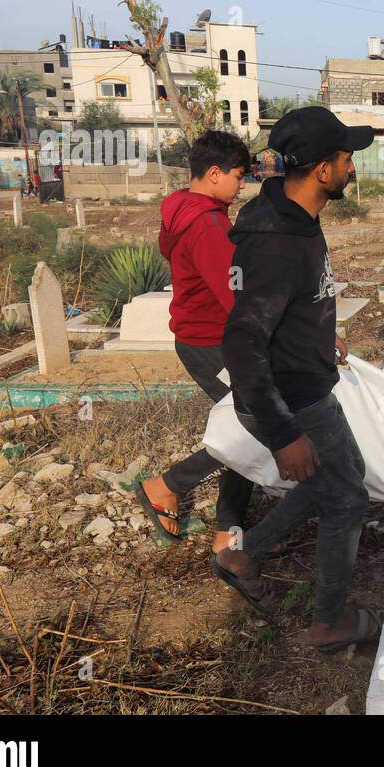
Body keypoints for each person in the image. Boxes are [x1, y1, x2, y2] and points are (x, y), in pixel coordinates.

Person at [210, 106, 382, 651]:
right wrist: (284, 435)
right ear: (324, 170)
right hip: (293, 399)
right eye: (346, 157)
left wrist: (316, 332)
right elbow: (242, 341)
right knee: (347, 499)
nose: (353, 167)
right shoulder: (280, 239)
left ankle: (242, 553)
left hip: (306, 381)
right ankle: (327, 623)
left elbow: (283, 306)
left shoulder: (290, 215)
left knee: (341, 476)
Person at [134, 130, 255, 553]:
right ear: (216, 173)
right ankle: (166, 486)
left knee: (244, 427)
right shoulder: (206, 224)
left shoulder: (187, 211)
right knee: (249, 429)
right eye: (240, 177)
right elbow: (233, 294)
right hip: (211, 343)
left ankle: (228, 533)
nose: (243, 186)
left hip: (203, 338)